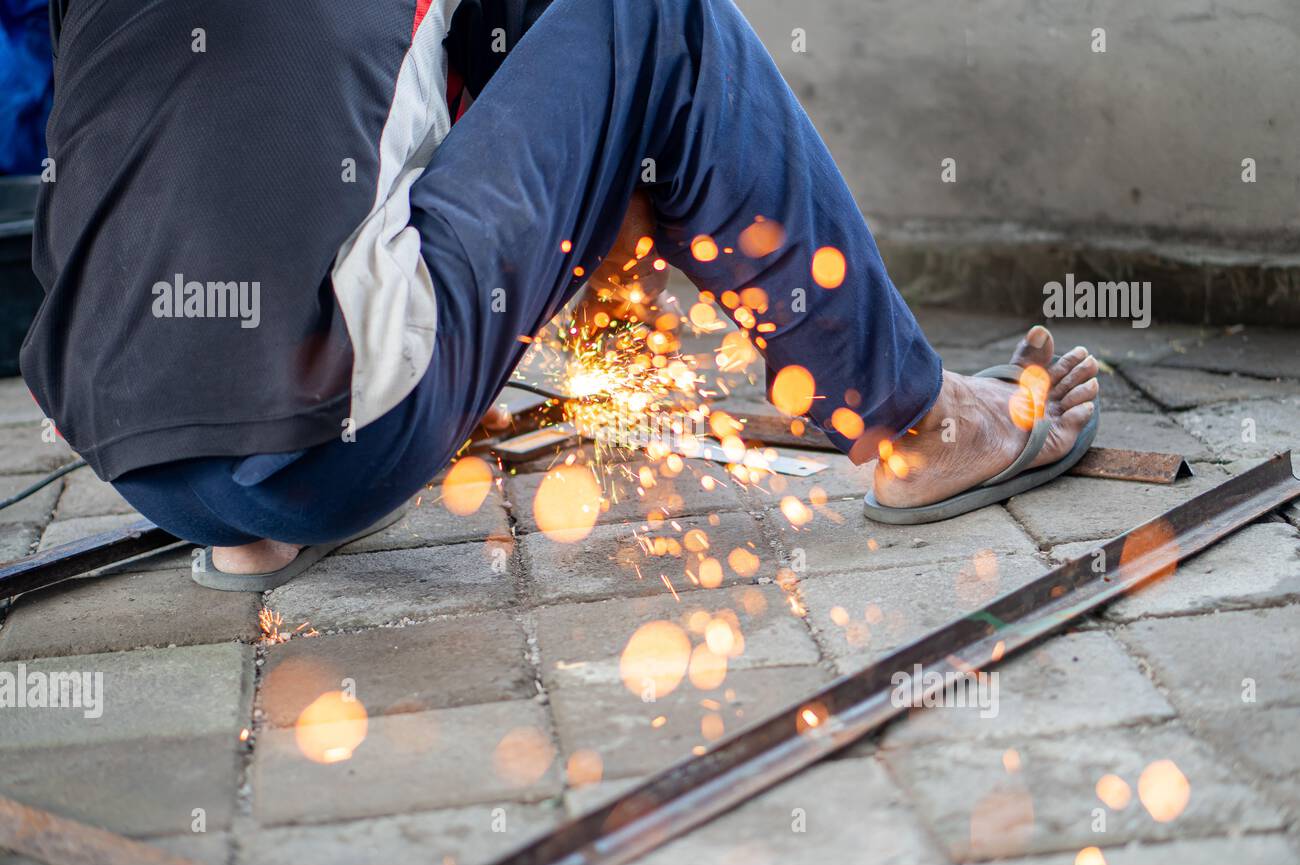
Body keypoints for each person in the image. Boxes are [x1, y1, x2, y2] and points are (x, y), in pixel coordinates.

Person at [21, 0, 1098, 589]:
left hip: (125, 451)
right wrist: (613, 332)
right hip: (339, 448)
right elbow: (598, 112)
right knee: (657, 16)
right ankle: (920, 422)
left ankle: (252, 533)